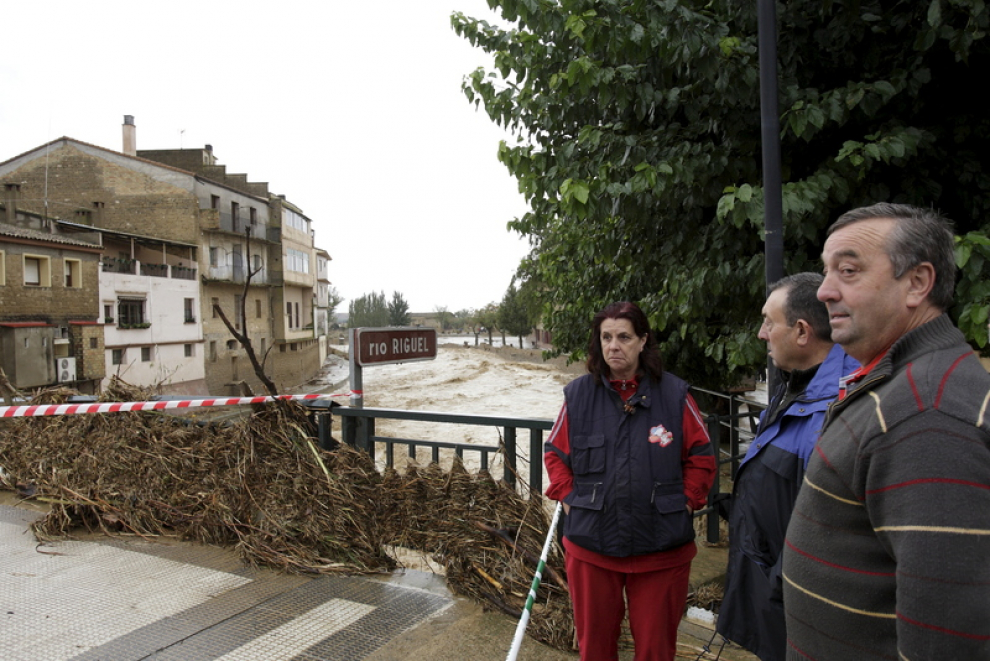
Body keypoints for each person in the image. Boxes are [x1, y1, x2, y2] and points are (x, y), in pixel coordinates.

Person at [782, 203, 990, 659]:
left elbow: (945, 635)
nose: (824, 291)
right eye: (827, 271)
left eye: (848, 271)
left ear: (917, 283)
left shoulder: (927, 413)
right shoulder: (902, 385)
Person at [544, 301, 716, 661]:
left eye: (623, 337)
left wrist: (685, 502)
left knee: (656, 651)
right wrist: (571, 500)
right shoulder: (578, 396)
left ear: (643, 341)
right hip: (591, 546)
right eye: (606, 337)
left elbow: (702, 457)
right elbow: (555, 454)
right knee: (594, 649)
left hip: (661, 548)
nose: (613, 346)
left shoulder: (675, 395)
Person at [716, 273, 857, 661]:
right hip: (776, 604)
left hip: (802, 618)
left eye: (768, 321)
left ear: (802, 331)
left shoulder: (836, 413)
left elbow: (829, 539)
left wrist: (775, 586)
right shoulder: (796, 388)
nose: (761, 333)